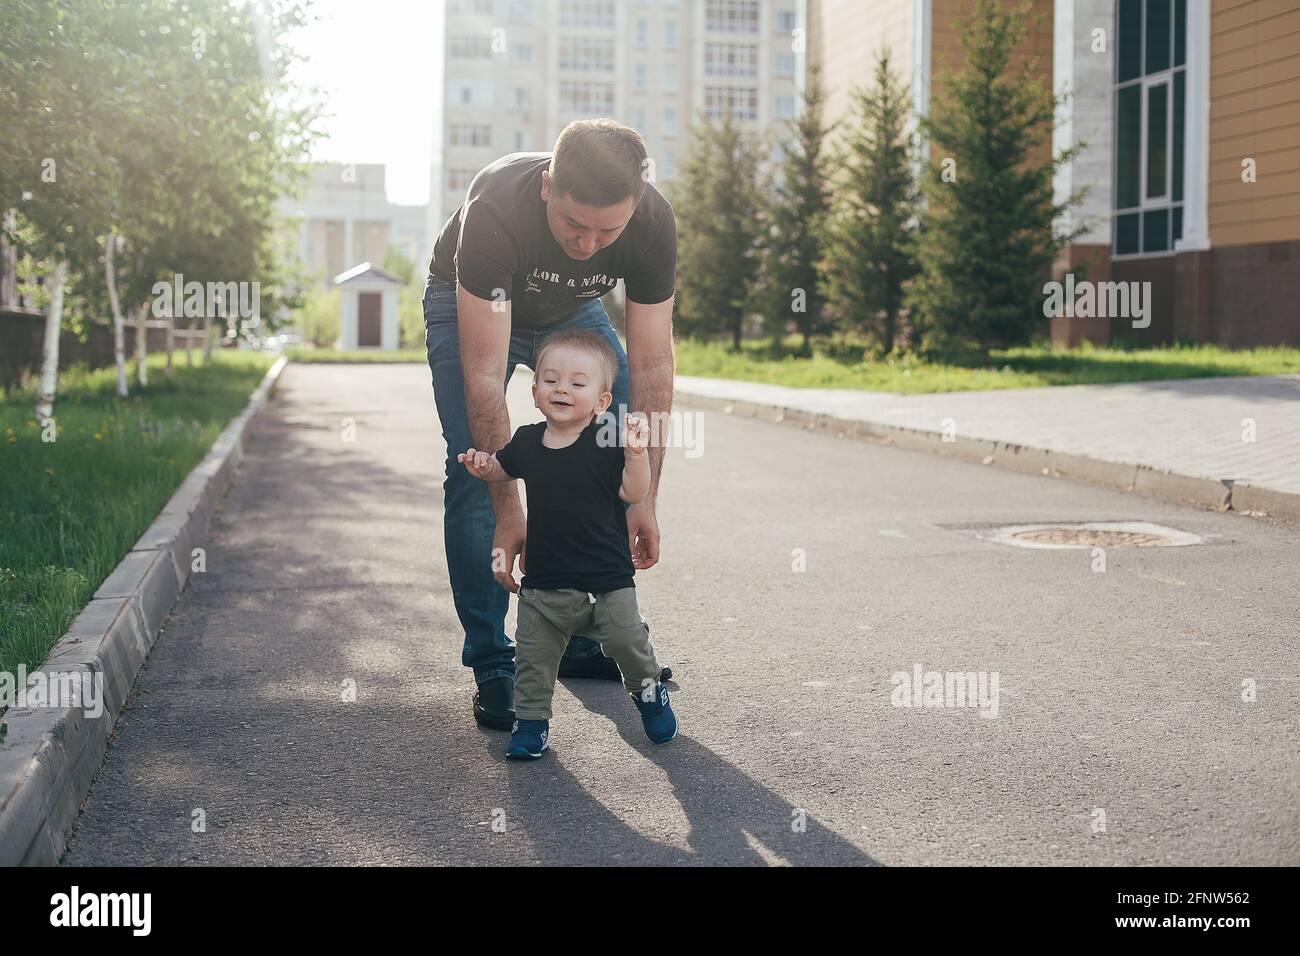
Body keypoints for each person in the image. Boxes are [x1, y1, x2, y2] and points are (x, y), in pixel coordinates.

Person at [423, 118, 677, 731]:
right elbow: (485, 381)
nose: (589, 245)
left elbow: (651, 364)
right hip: (477, 304)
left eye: (606, 230)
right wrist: (511, 509)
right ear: (546, 188)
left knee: (608, 444)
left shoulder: (651, 223)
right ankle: (493, 663)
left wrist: (644, 500)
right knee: (476, 471)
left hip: (570, 309)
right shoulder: (497, 207)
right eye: (573, 225)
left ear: (635, 206)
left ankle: (583, 633)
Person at [458, 329, 678, 758]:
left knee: (628, 645)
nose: (562, 388)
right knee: (533, 663)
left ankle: (649, 694)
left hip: (608, 581)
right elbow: (503, 470)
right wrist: (483, 466)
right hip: (544, 584)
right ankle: (531, 724)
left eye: (578, 383)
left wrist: (636, 455)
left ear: (600, 401)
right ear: (536, 390)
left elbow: (634, 493)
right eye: (551, 379)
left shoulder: (607, 443)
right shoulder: (526, 441)